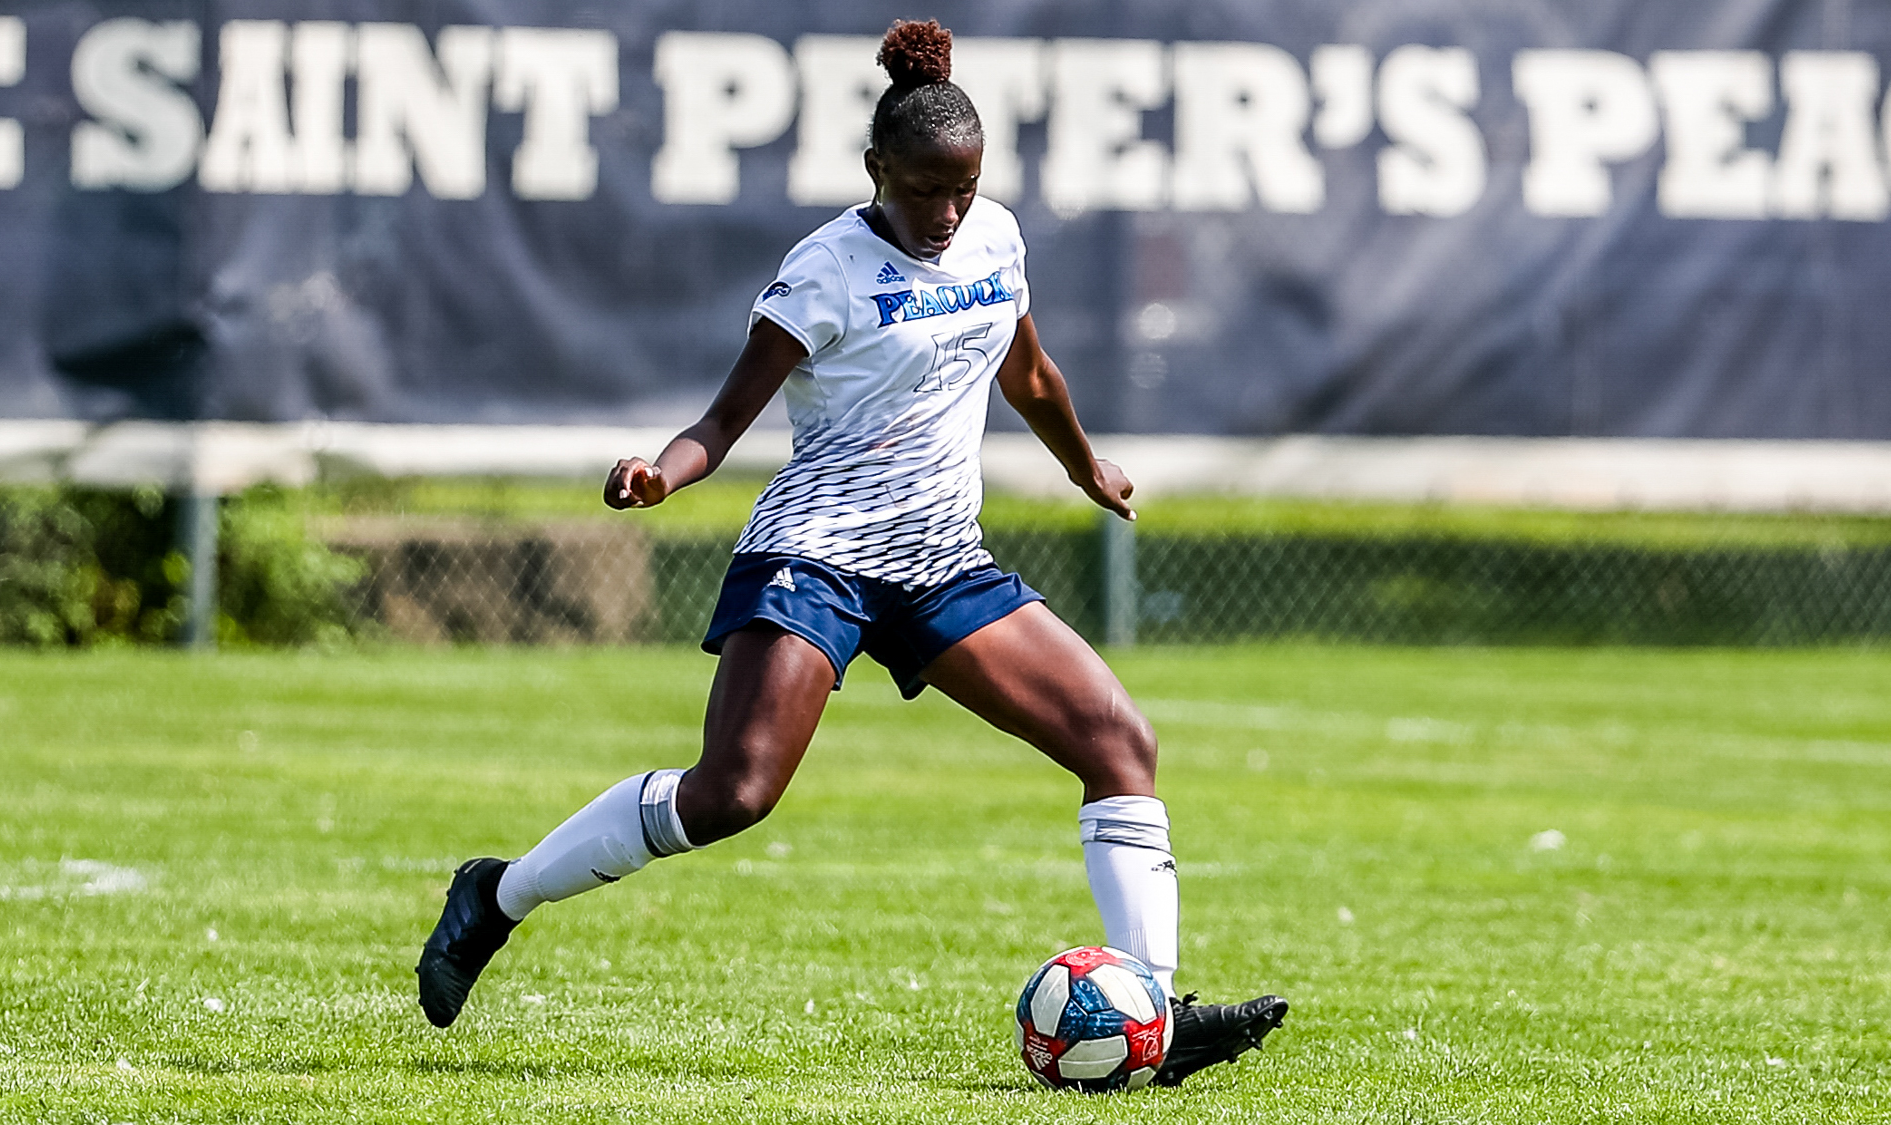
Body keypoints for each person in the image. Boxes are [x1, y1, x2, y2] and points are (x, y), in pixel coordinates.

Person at [416, 18, 1287, 1087]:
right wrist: (659, 474)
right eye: (925, 191)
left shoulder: (993, 239)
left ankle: (1151, 1020)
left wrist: (1081, 467)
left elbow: (1030, 376)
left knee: (1118, 742)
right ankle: (495, 895)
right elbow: (722, 422)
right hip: (817, 561)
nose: (946, 211)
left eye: (962, 189)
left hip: (937, 563)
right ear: (877, 171)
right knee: (732, 795)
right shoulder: (823, 271)